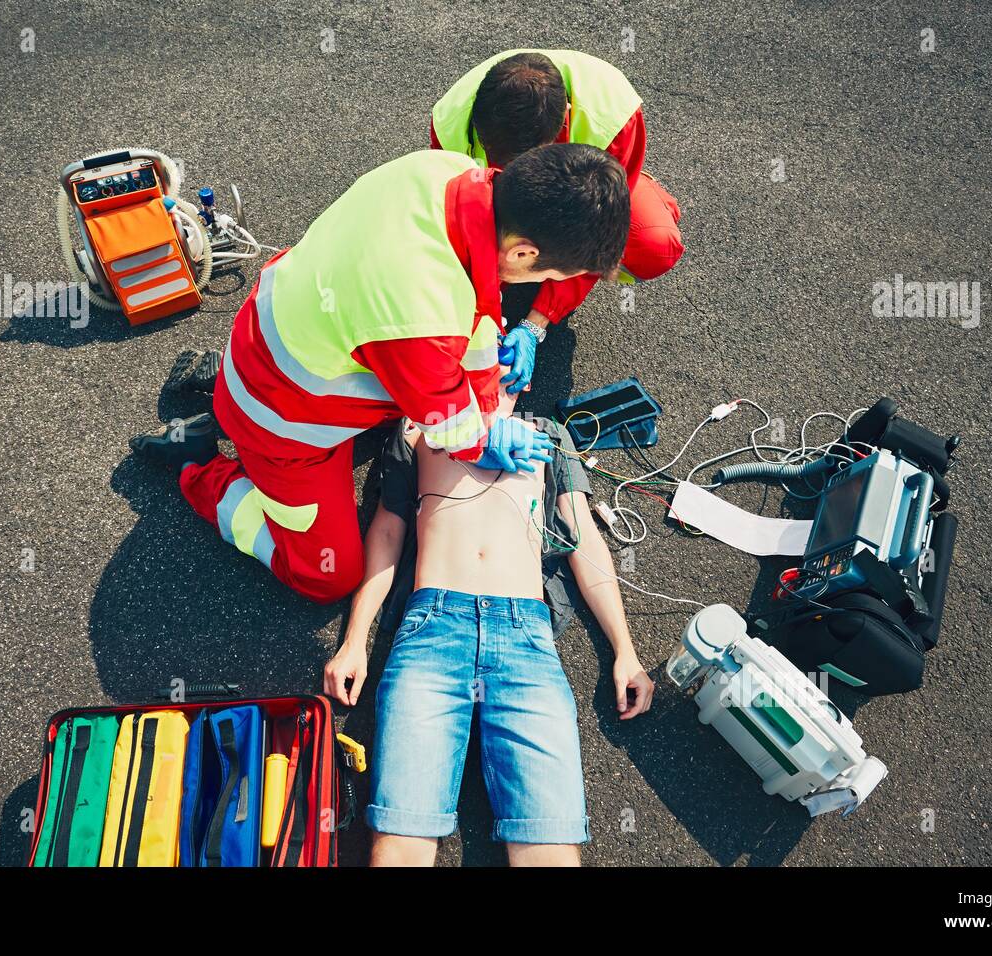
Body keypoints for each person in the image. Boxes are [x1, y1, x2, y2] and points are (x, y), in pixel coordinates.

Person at [130, 144, 630, 604]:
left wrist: (482, 384)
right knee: (328, 576)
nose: (545, 285)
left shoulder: (447, 171)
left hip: (294, 330)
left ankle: (226, 394)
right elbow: (446, 409)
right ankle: (202, 469)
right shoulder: (418, 313)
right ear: (523, 252)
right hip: (281, 419)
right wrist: (480, 437)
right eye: (549, 276)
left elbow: (473, 311)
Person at [323, 376, 655, 866]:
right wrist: (355, 640)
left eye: (506, 368)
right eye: (477, 363)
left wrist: (625, 651)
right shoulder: (419, 426)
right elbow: (389, 529)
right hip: (433, 630)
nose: (494, 380)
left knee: (549, 841)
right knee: (401, 833)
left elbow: (584, 539)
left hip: (525, 637)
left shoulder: (546, 435)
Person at [430, 49, 685, 394]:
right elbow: (461, 219)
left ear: (564, 119)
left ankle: (636, 189)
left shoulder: (613, 119)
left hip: (589, 192)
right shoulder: (450, 121)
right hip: (505, 202)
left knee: (653, 245)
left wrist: (537, 322)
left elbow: (594, 232)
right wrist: (481, 308)